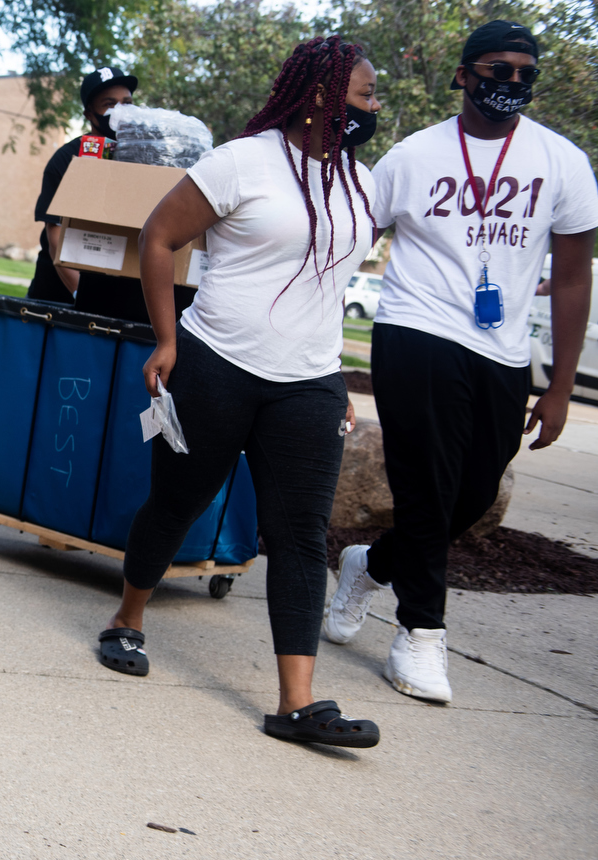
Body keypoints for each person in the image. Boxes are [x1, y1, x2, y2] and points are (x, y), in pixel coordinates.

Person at [96, 36, 384, 748]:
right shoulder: (242, 160)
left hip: (309, 385)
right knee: (177, 500)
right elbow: (159, 236)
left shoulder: (362, 181)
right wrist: (167, 340)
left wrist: (336, 377)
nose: (376, 106)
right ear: (322, 95)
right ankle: (126, 618)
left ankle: (296, 702)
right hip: (216, 363)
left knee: (300, 535)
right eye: (367, 94)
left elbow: (331, 284)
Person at [324, 20, 598, 703]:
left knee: (472, 493)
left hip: (502, 349)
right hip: (416, 330)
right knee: (429, 483)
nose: (510, 84)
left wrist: (560, 385)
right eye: (495, 70)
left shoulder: (562, 161)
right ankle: (420, 633)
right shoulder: (413, 157)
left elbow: (571, 277)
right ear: (462, 74)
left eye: (523, 74)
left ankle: (369, 564)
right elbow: (347, 244)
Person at [27, 66, 151, 322]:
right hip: (60, 299)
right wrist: (80, 296)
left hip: (118, 301)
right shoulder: (67, 160)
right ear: (90, 114)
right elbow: (56, 238)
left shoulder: (144, 161)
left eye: (127, 102)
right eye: (109, 104)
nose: (121, 111)